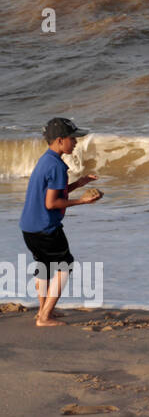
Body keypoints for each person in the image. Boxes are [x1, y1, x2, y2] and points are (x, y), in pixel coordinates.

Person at [19, 118, 102, 326]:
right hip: (46, 228)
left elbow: (52, 193)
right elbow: (52, 203)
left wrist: (79, 183)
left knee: (44, 266)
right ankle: (45, 317)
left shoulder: (46, 160)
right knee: (65, 265)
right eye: (72, 138)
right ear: (59, 140)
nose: (75, 142)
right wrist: (82, 201)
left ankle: (43, 310)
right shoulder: (57, 166)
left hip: (29, 227)